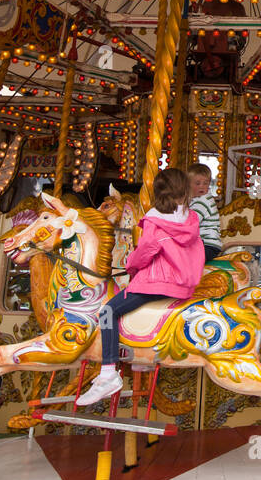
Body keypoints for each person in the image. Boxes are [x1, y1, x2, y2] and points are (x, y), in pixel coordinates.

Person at [78, 168, 202, 406]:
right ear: (183, 190)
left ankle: (108, 373)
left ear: (158, 190)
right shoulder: (190, 218)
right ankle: (140, 357)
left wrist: (131, 265)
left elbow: (146, 251)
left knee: (108, 311)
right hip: (183, 284)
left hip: (156, 282)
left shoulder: (155, 218)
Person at [187, 163, 222, 262]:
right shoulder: (197, 200)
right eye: (197, 183)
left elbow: (190, 222)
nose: (202, 186)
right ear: (189, 184)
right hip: (204, 244)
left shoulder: (203, 201)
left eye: (205, 183)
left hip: (207, 245)